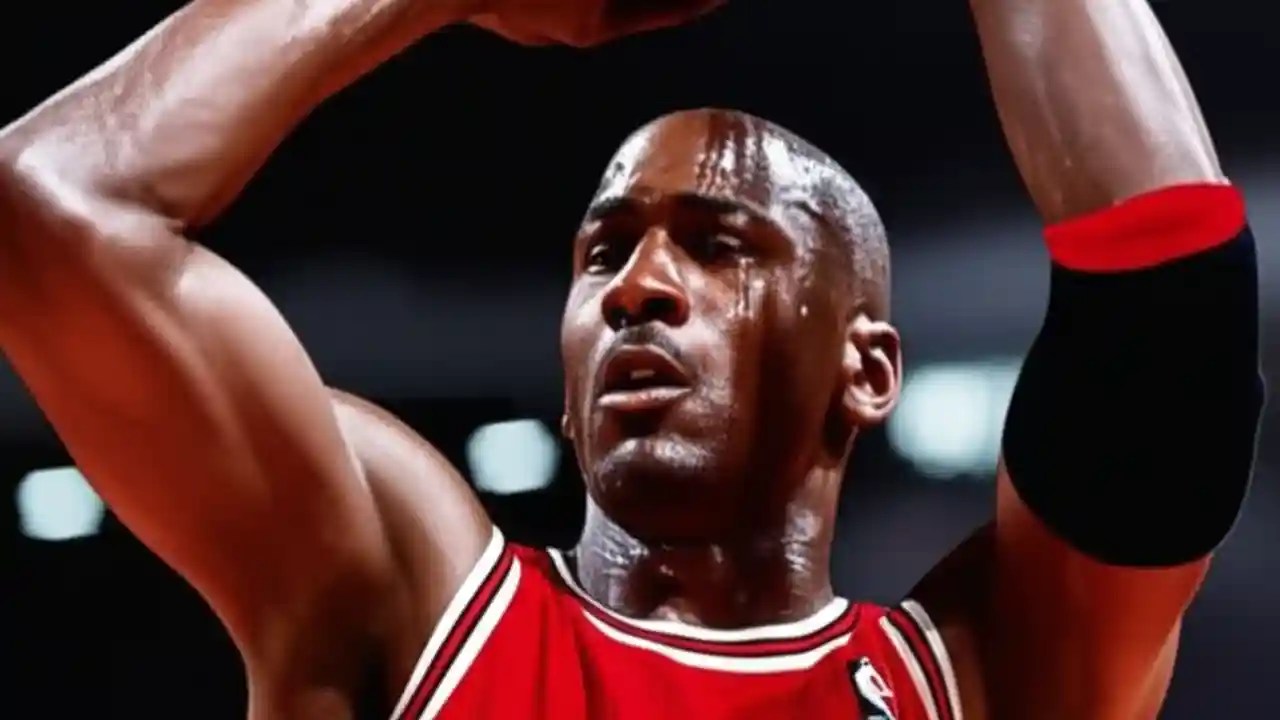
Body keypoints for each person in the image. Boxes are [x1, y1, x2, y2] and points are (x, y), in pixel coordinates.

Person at [0, 0, 1263, 717]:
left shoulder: (982, 671)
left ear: (867, 371)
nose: (638, 289)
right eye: (603, 252)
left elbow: (1168, 334)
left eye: (721, 247)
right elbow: (50, 210)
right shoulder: (402, 589)